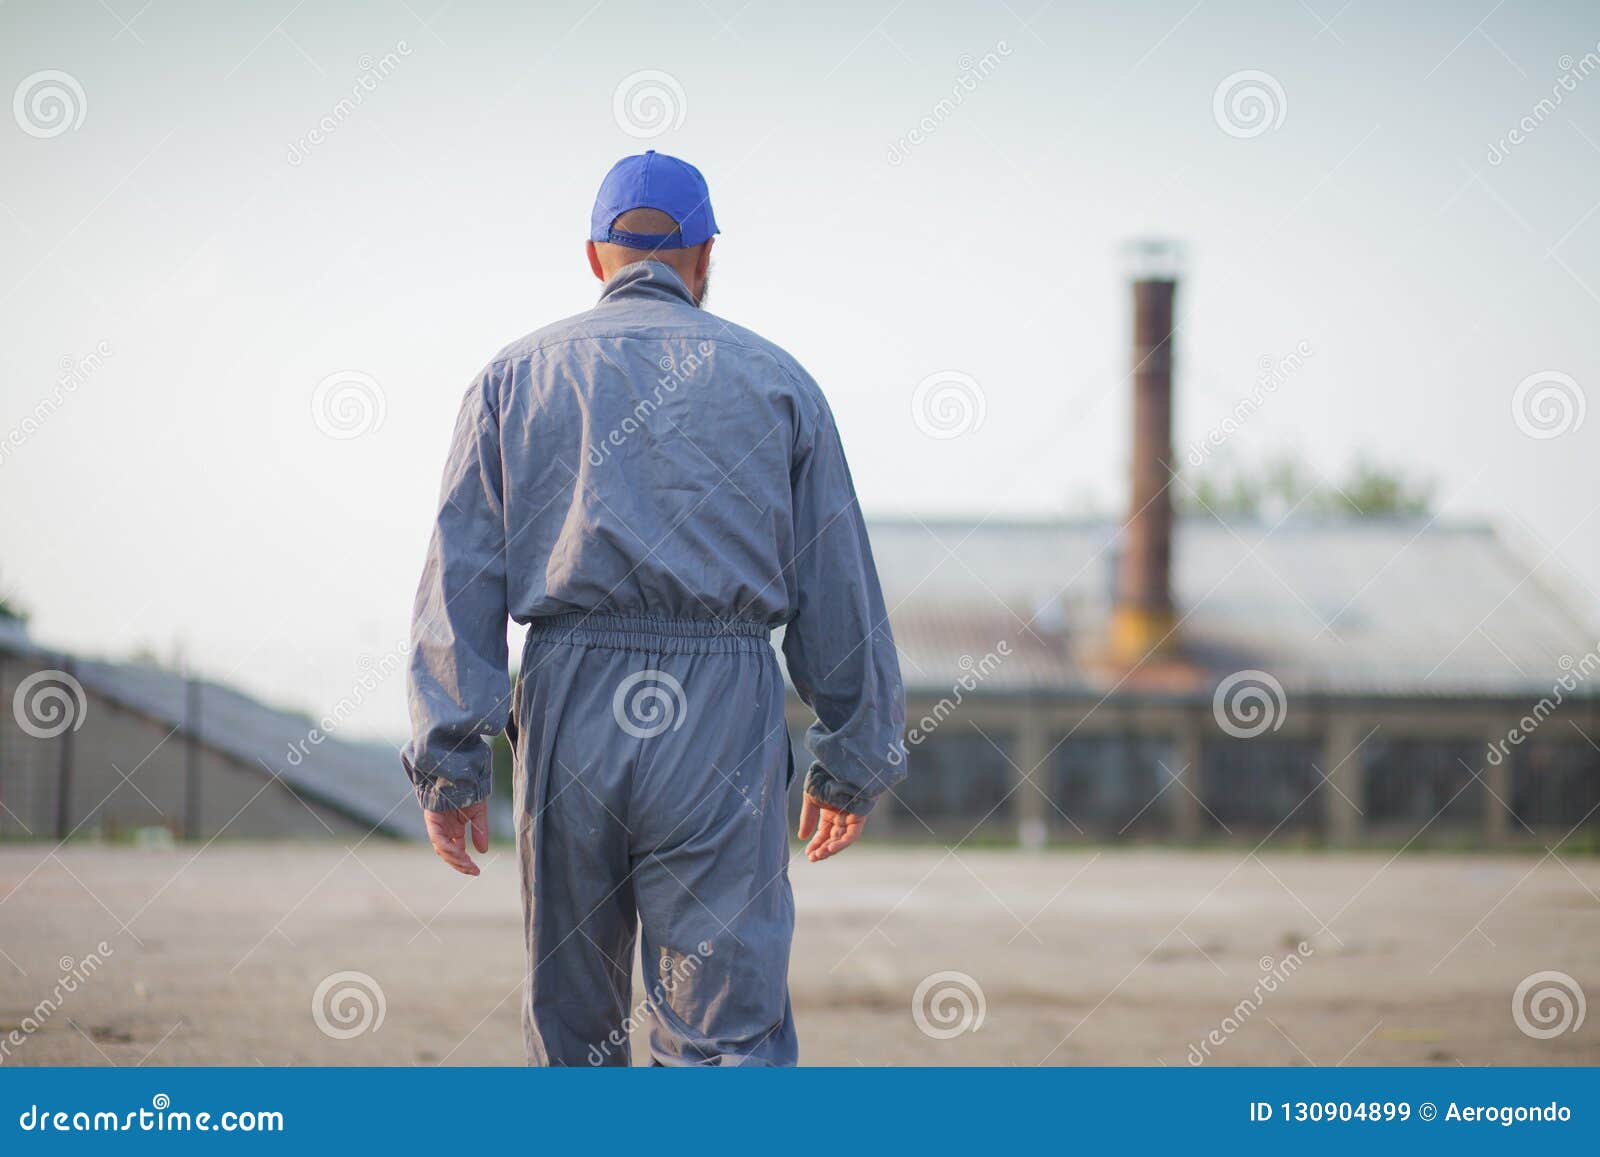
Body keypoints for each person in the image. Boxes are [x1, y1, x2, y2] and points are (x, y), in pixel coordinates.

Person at [401, 150, 906, 1066]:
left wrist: (450, 762)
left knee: (575, 1032)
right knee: (723, 1029)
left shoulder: (510, 381)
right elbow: (839, 585)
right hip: (719, 713)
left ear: (594, 255)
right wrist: (853, 757)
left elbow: (459, 580)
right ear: (705, 255)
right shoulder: (779, 383)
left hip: (569, 703)